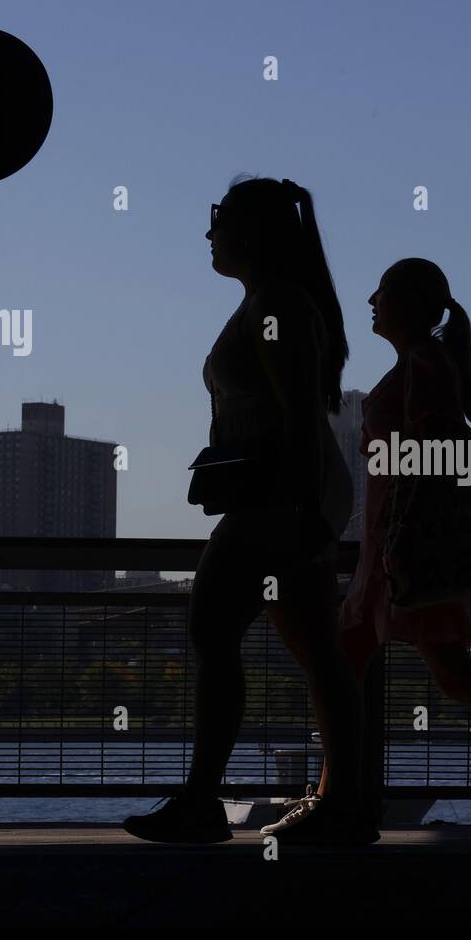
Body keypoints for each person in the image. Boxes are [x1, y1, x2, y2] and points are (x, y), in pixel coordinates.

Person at [273, 257, 471, 843]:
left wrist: (394, 545)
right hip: (393, 548)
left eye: (383, 292)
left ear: (410, 306)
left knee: (344, 668)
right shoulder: (419, 363)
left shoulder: (424, 366)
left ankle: (335, 804)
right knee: (444, 676)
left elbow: (431, 459)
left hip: (399, 553)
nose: (371, 300)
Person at [124, 176, 374, 846]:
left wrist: (301, 514)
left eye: (221, 219)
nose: (209, 233)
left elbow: (296, 411)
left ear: (255, 231)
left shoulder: (280, 306)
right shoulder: (270, 302)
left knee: (216, 630)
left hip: (282, 493)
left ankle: (208, 802)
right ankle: (341, 804)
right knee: (315, 648)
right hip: (290, 492)